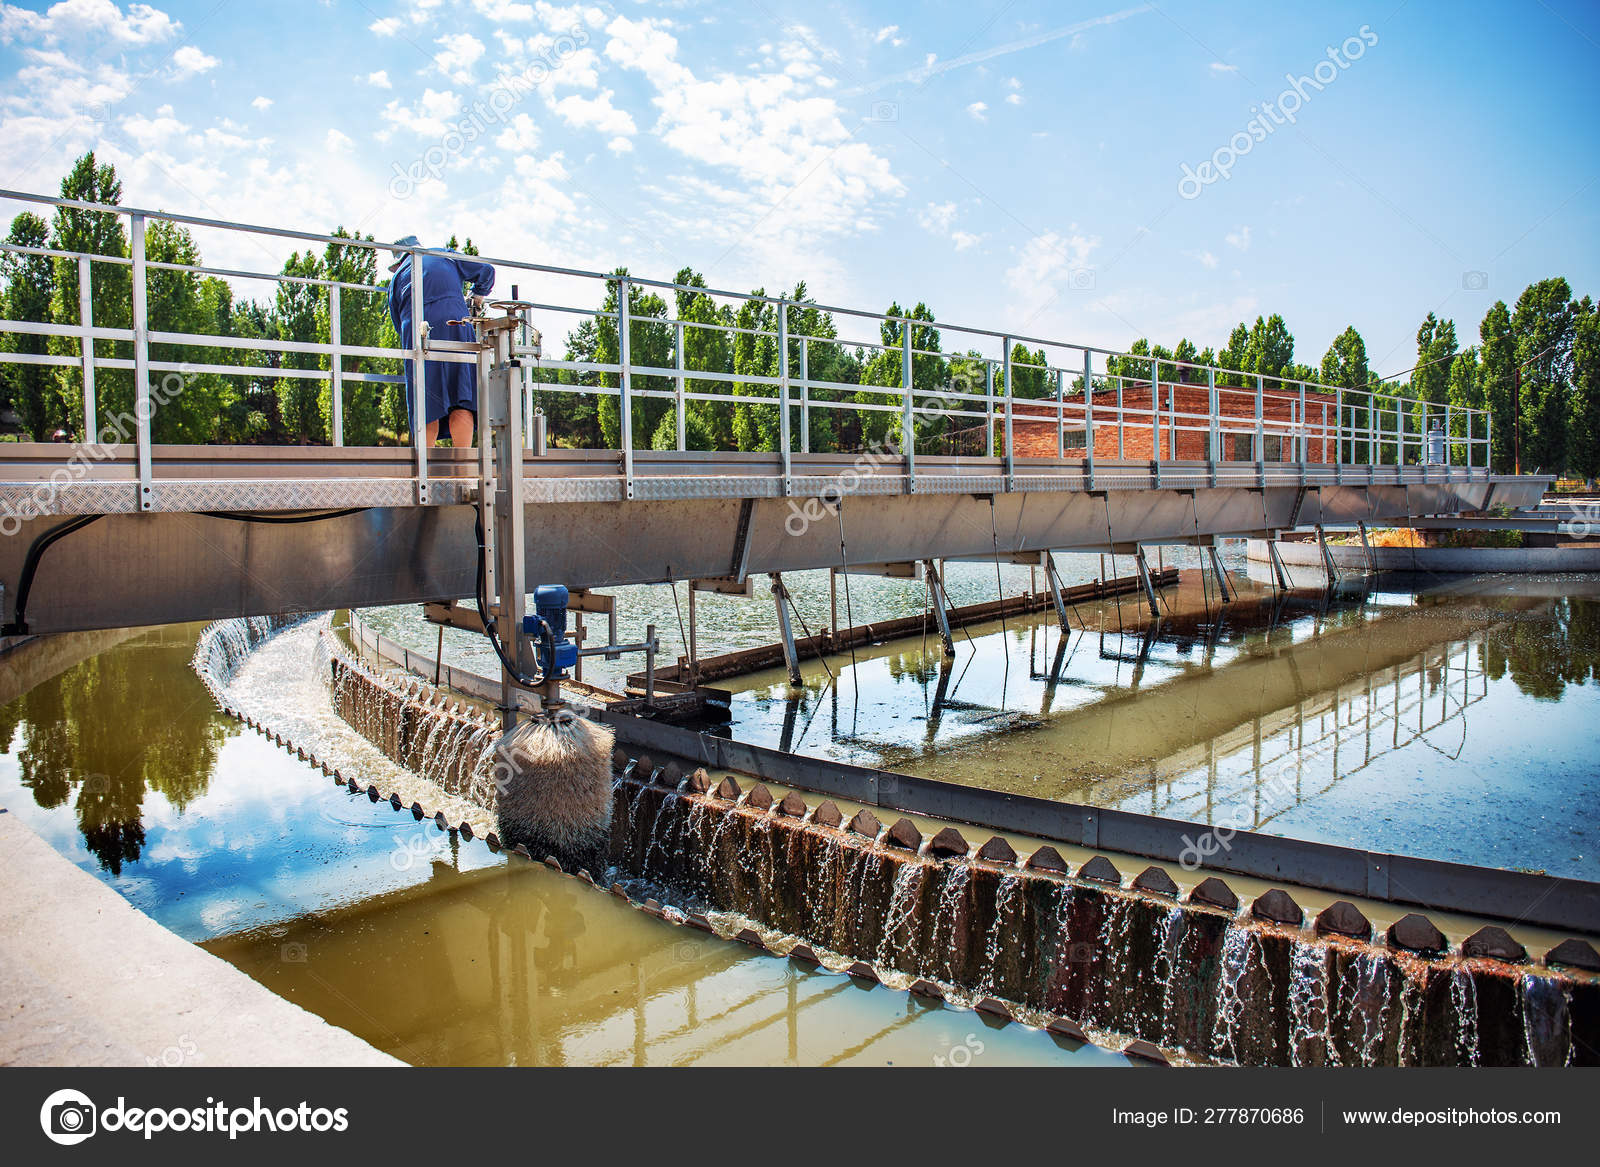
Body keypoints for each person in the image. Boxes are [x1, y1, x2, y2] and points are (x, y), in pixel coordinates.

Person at [386, 235, 496, 449]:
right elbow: (486, 271)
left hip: (418, 331)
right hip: (456, 324)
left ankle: (427, 467)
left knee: (425, 400)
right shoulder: (442, 254)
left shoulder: (397, 278)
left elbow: (397, 323)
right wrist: (477, 296)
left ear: (399, 261)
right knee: (461, 395)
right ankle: (463, 466)